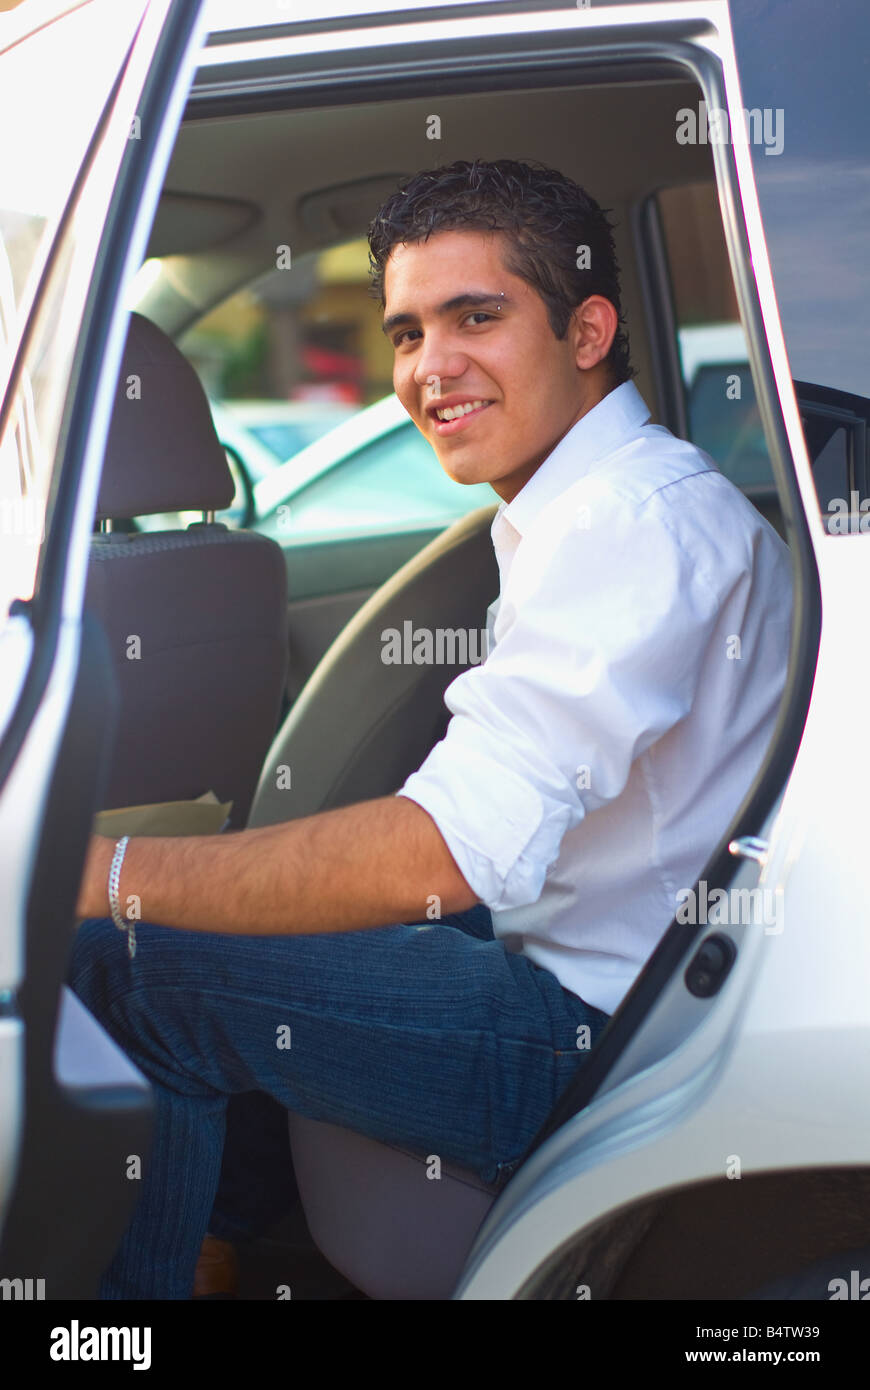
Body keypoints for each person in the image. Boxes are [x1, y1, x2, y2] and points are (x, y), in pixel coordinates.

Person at [70, 158, 793, 1299]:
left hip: (593, 1037)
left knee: (124, 963)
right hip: (597, 968)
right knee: (241, 944)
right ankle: (230, 1233)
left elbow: (454, 855)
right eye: (407, 332)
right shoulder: (587, 504)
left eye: (477, 316)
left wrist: (97, 872)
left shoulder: (624, 525)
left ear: (589, 327)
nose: (429, 367)